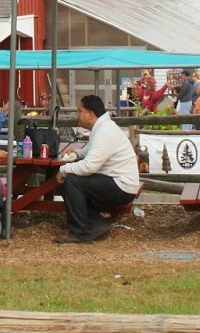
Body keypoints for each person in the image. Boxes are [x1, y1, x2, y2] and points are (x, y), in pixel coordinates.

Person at [55, 94, 140, 244]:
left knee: (72, 181)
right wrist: (78, 153)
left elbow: (89, 166)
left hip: (121, 187)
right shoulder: (104, 127)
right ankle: (95, 224)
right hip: (121, 183)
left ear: (90, 114)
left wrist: (64, 169)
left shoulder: (103, 132)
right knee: (73, 179)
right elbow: (93, 147)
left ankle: (80, 233)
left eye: (80, 111)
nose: (77, 115)